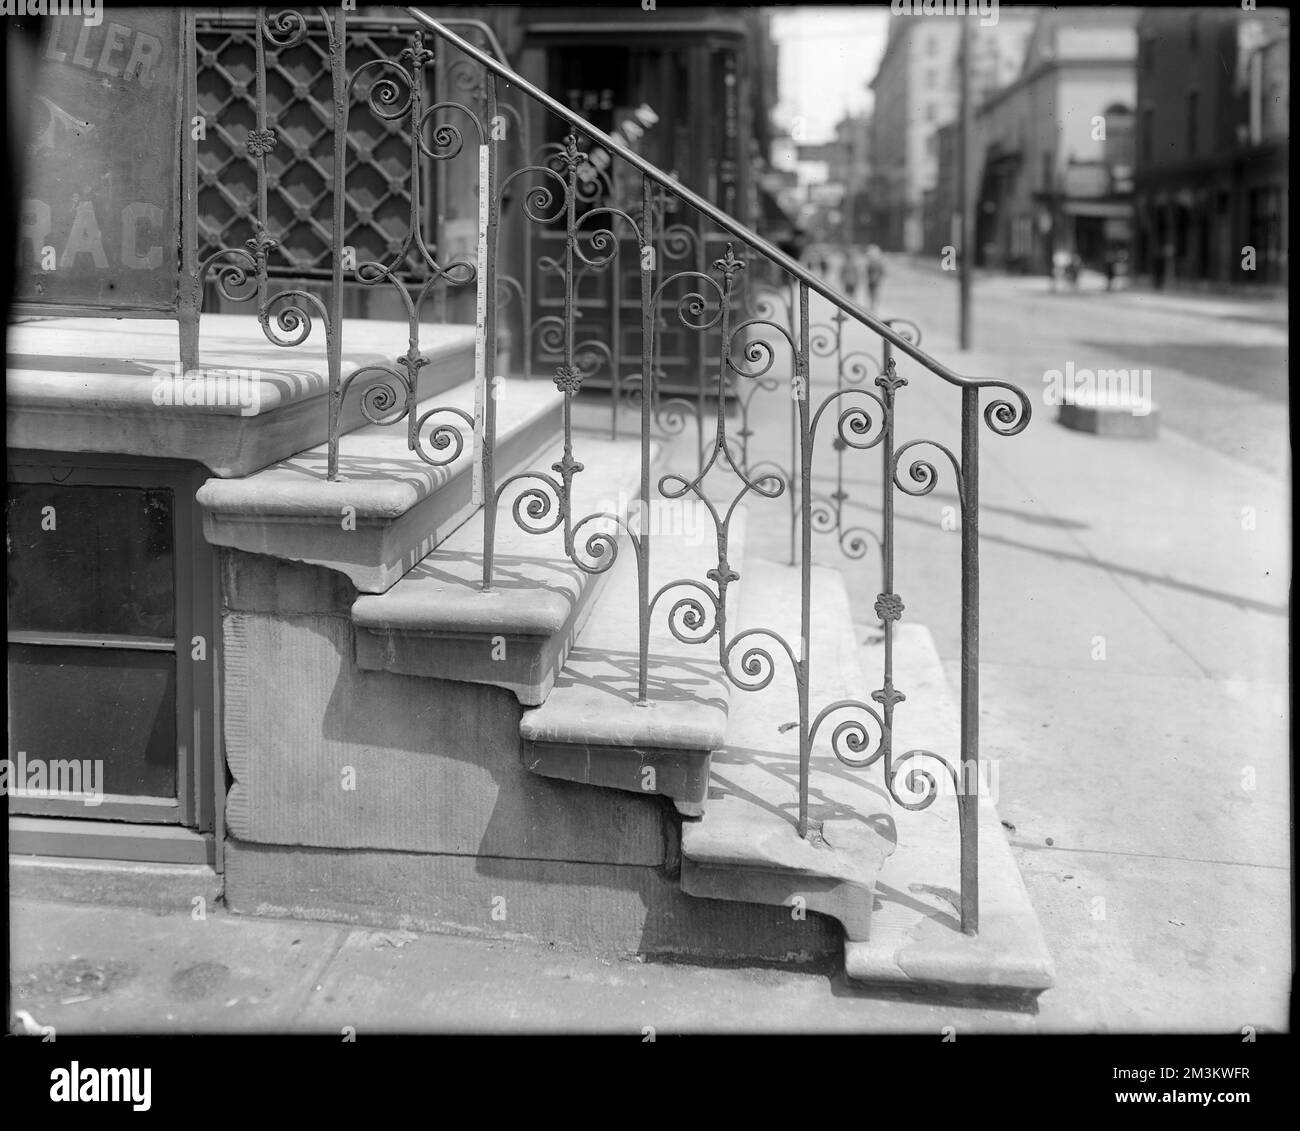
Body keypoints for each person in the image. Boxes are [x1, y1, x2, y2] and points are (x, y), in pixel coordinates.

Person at [865, 244, 885, 312]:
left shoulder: (878, 263)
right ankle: (872, 307)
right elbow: (867, 272)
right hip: (871, 282)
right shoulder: (870, 263)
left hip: (875, 282)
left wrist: (877, 278)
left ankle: (874, 308)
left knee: (875, 295)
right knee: (871, 295)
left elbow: (882, 272)